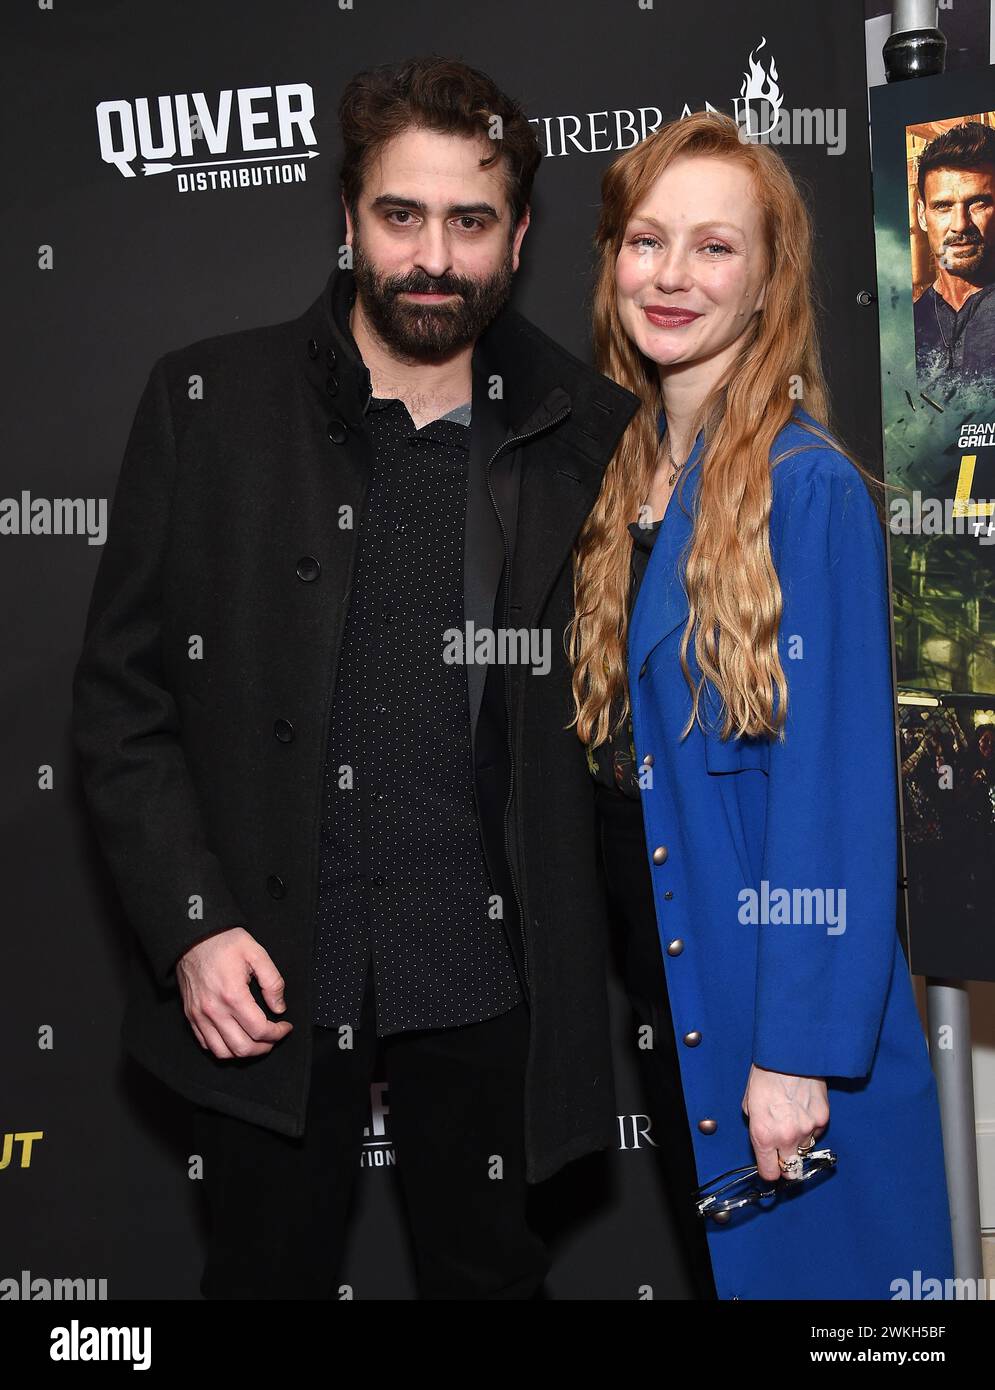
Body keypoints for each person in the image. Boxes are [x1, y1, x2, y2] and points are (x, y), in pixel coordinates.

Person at [71, 55, 640, 1300]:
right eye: (401, 215)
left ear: (519, 234)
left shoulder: (586, 435)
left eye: (469, 222)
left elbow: (624, 733)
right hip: (273, 967)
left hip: (486, 976)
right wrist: (190, 928)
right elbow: (124, 703)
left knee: (491, 1278)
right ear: (347, 219)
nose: (432, 256)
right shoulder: (208, 403)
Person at [568, 109, 955, 1300]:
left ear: (769, 278)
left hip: (781, 1032)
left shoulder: (808, 488)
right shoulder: (625, 478)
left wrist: (792, 1057)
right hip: (682, 1013)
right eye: (645, 241)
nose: (670, 276)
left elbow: (835, 801)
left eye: (712, 247)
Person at [913, 122, 995, 391]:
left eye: (977, 203)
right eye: (943, 206)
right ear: (923, 215)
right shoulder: (907, 324)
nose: (960, 224)